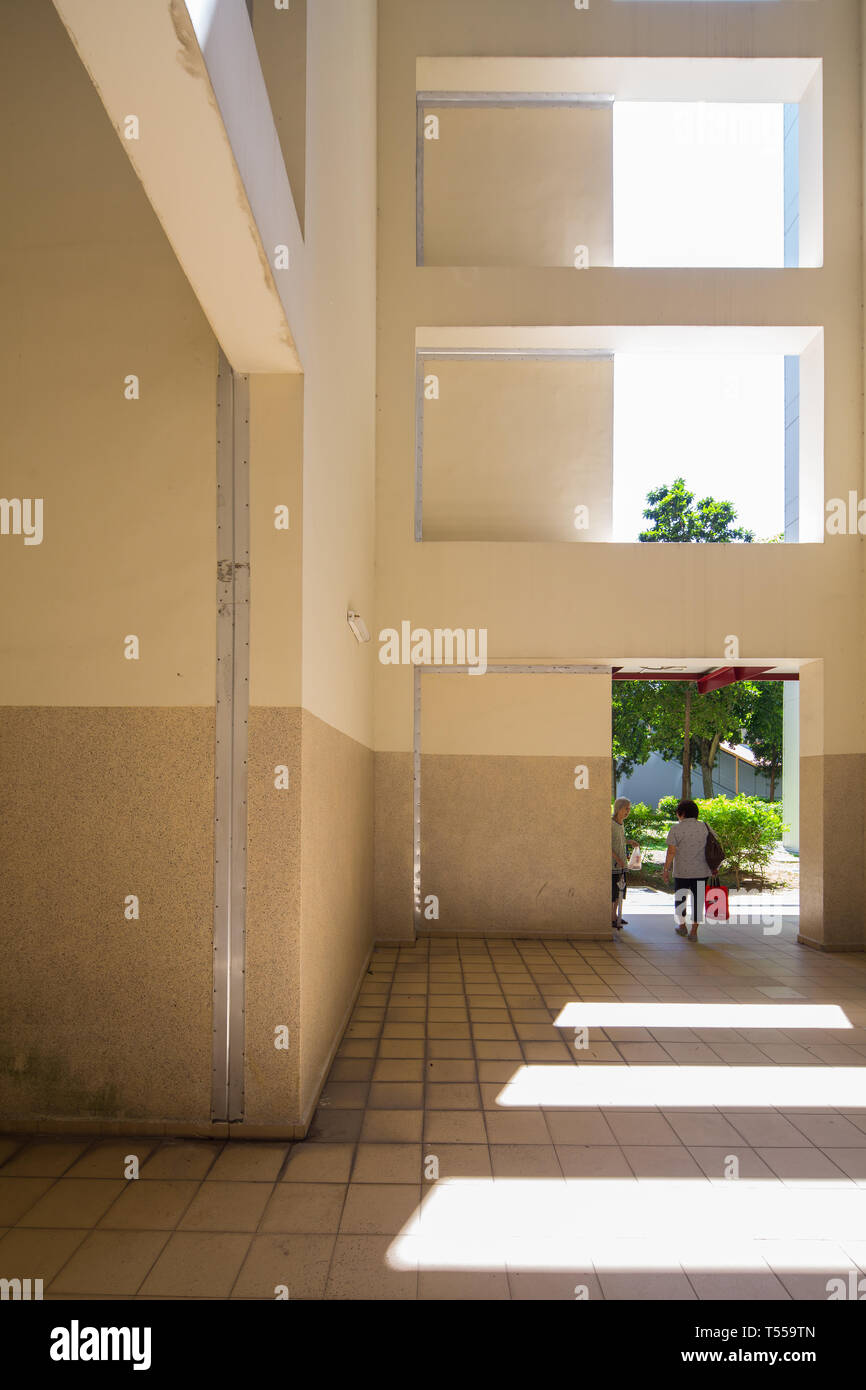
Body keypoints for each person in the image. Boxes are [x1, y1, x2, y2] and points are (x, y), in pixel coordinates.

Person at [662, 799, 712, 941]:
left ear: (681, 813)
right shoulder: (705, 826)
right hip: (702, 870)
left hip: (682, 871)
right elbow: (713, 846)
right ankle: (694, 932)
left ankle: (682, 926)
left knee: (680, 899)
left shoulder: (676, 829)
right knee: (698, 900)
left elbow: (671, 852)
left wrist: (666, 869)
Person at [611, 797, 639, 931]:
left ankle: (615, 915)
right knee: (613, 892)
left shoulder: (621, 823)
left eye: (629, 809)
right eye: (626, 808)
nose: (628, 811)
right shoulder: (610, 824)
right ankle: (611, 917)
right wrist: (617, 859)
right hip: (614, 865)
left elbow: (619, 840)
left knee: (620, 892)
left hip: (622, 864)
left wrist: (629, 842)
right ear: (618, 808)